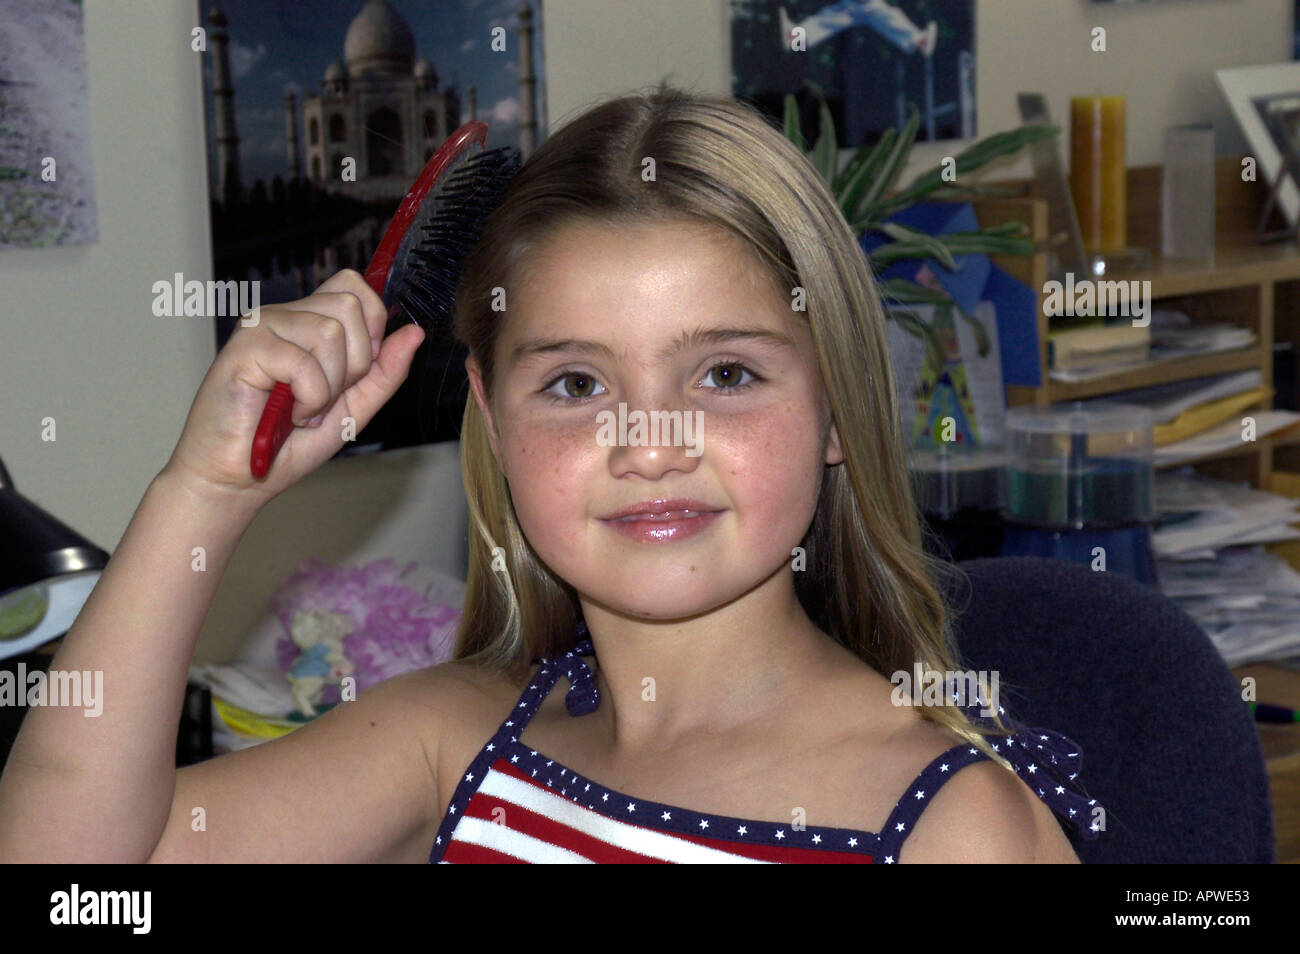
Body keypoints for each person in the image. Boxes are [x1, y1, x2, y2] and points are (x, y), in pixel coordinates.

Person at [0, 85, 1102, 863]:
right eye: (576, 385)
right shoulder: (453, 745)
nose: (650, 439)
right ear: (490, 414)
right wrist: (203, 494)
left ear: (835, 409)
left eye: (724, 371)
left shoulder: (955, 829)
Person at [780, 1, 937, 55]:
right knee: (829, 19)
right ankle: (795, 37)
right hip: (860, 6)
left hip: (862, 6)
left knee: (829, 19)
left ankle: (919, 40)